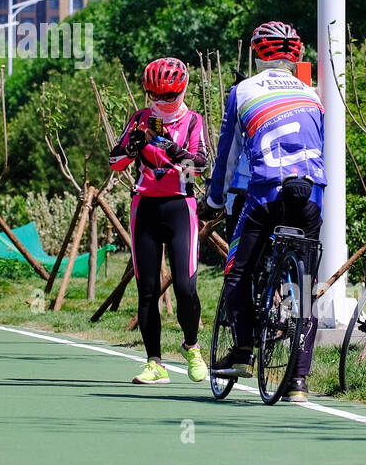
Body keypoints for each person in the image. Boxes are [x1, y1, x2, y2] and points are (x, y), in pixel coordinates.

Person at [203, 22, 325, 402]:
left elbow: (228, 154)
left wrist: (214, 201)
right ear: (297, 57)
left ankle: (241, 352)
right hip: (310, 197)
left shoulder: (242, 91)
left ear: (257, 53)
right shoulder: (314, 94)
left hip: (266, 193)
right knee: (304, 288)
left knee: (237, 272)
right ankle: (298, 382)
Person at [109, 57, 211, 385]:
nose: (161, 103)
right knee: (148, 289)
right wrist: (131, 147)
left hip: (181, 207)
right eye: (154, 95)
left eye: (168, 96)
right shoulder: (140, 119)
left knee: (185, 286)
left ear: (182, 91)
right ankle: (155, 363)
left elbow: (200, 166)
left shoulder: (194, 121)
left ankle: (191, 346)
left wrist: (169, 146)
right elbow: (115, 163)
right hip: (145, 207)